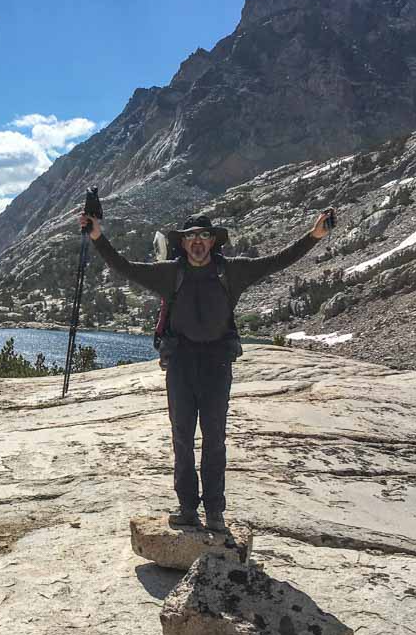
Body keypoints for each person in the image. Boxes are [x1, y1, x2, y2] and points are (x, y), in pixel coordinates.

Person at [77, 209, 334, 531]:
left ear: (212, 241)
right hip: (181, 364)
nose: (197, 242)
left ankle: (214, 511)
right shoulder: (169, 273)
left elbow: (278, 260)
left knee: (214, 439)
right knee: (181, 438)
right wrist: (98, 237)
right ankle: (187, 508)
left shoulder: (232, 271)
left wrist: (314, 236)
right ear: (183, 244)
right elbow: (124, 267)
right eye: (190, 237)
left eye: (202, 236)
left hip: (217, 364)